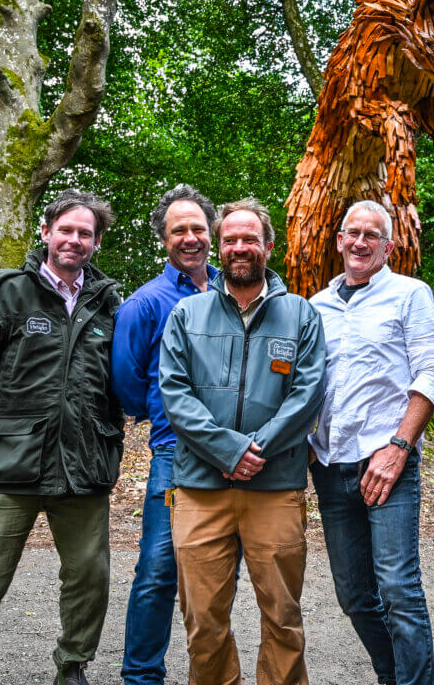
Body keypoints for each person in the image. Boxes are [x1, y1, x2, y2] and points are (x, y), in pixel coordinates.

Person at [0, 190, 123, 685]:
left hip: (83, 464)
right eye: (66, 230)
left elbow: (123, 385)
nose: (74, 240)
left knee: (89, 578)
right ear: (46, 233)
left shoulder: (109, 304)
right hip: (8, 462)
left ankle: (72, 668)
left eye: (85, 233)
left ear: (96, 242)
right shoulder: (6, 293)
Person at [159, 197, 326, 685]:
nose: (239, 248)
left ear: (268, 247)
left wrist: (256, 451)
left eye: (249, 239)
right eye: (230, 239)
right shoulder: (187, 315)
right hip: (200, 489)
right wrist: (228, 451)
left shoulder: (301, 316)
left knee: (283, 620)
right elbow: (174, 392)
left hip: (274, 487)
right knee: (203, 623)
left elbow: (307, 394)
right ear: (218, 246)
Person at [309, 200, 434, 685]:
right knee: (353, 593)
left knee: (398, 588)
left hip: (387, 461)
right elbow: (306, 383)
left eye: (372, 235)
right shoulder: (315, 306)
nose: (360, 242)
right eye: (353, 233)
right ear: (340, 240)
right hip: (329, 464)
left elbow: (432, 373)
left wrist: (399, 447)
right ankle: (395, 676)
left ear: (388, 246)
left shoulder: (410, 294)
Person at [112, 185, 218, 685]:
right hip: (175, 453)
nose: (191, 238)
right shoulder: (144, 303)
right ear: (163, 239)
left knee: (218, 572)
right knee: (158, 569)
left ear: (212, 233)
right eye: (180, 230)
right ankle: (141, 676)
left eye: (198, 228)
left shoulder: (231, 290)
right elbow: (127, 382)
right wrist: (164, 416)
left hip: (235, 453)